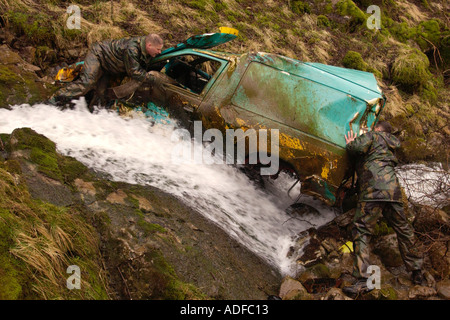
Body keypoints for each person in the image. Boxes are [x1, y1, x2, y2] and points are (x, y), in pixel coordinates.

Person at [342, 121, 424, 295]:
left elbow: (355, 148)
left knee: (362, 230)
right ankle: (417, 272)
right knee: (403, 229)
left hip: (373, 189)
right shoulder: (391, 145)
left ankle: (363, 279)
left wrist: (351, 142)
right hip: (392, 191)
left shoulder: (373, 136)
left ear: (378, 129)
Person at [50, 33, 165, 107]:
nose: (159, 52)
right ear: (149, 45)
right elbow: (134, 72)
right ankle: (53, 99)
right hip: (99, 55)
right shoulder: (133, 48)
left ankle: (89, 116)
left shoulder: (147, 51)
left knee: (101, 94)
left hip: (110, 67)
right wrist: (153, 79)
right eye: (158, 49)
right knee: (87, 83)